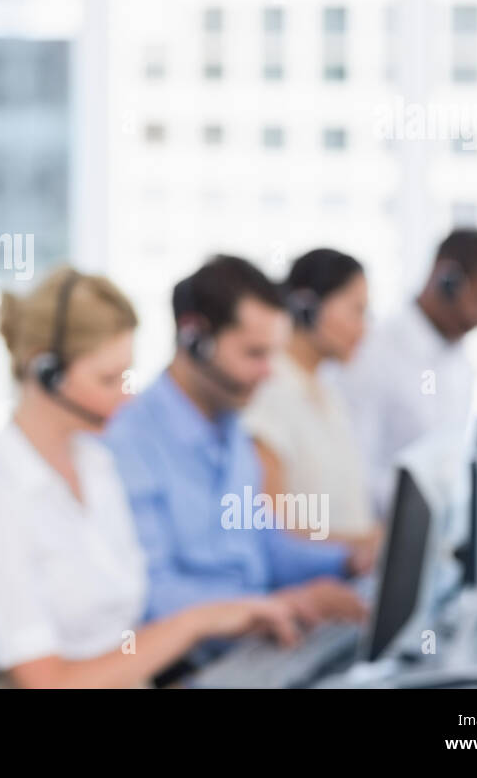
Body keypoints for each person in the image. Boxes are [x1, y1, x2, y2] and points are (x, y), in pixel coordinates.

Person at [0, 266, 299, 688]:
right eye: (108, 379)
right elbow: (48, 682)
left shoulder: (96, 464)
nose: (126, 396)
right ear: (45, 371)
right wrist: (198, 622)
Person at [102, 256, 370, 663]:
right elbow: (150, 595)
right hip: (191, 666)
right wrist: (278, 605)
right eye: (255, 354)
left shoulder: (232, 427)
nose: (270, 373)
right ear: (194, 338)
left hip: (259, 645)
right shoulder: (129, 442)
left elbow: (263, 545)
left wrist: (346, 561)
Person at [333, 228, 477, 520]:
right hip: (386, 539)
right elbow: (355, 474)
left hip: (439, 531)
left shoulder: (459, 359)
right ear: (447, 281)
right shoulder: (374, 352)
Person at [244, 248, 381, 560]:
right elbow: (275, 528)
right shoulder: (268, 389)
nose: (364, 329)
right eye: (355, 311)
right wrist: (360, 546)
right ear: (307, 307)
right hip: (313, 587)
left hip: (350, 580)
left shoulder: (325, 388)